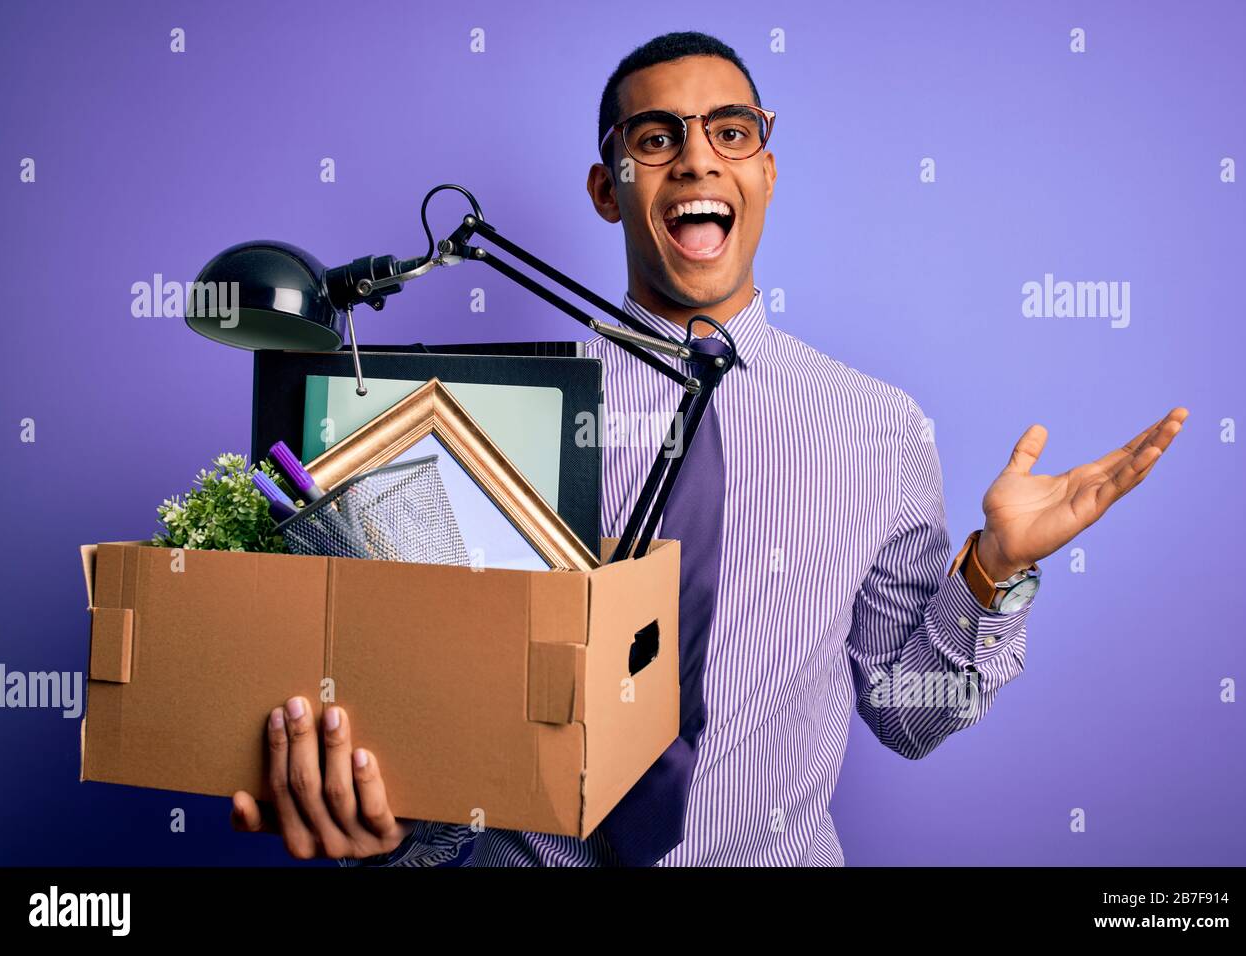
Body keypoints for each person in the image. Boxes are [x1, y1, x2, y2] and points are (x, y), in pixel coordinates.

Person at [231, 31, 1188, 866]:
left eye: (731, 133)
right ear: (610, 191)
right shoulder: (487, 416)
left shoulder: (878, 427)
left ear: (766, 173)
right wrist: (386, 834)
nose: (696, 159)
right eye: (658, 138)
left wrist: (989, 573)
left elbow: (909, 713)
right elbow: (431, 712)